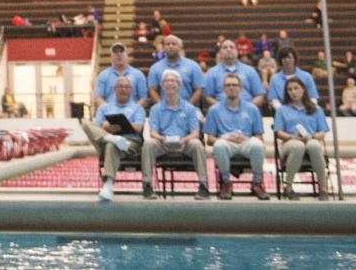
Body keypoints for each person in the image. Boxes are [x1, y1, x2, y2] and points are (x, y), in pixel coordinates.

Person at [142, 70, 209, 200]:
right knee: (149, 144)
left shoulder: (190, 108)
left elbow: (195, 133)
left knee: (197, 144)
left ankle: (203, 186)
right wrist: (162, 139)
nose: (170, 83)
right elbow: (153, 133)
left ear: (179, 85)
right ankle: (147, 185)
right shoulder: (155, 109)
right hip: (163, 143)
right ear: (162, 86)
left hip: (184, 143)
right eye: (166, 81)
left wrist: (185, 139)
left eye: (173, 81)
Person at [204, 73, 269, 200]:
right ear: (223, 89)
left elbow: (259, 137)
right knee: (219, 145)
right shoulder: (214, 110)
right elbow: (209, 140)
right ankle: (226, 183)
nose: (231, 87)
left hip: (246, 142)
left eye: (234, 85)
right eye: (228, 85)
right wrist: (224, 138)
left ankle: (257, 183)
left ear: (241, 88)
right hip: (226, 143)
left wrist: (247, 139)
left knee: (258, 145)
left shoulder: (252, 109)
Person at [81, 76, 145, 201]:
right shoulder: (104, 108)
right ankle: (110, 138)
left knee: (112, 145)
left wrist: (123, 124)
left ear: (131, 90)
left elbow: (138, 127)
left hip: (129, 142)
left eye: (126, 87)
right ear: (114, 89)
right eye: (120, 86)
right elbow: (96, 127)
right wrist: (105, 126)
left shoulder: (137, 108)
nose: (123, 89)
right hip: (106, 139)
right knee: (85, 123)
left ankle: (108, 185)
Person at [274, 77, 331, 200]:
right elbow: (278, 132)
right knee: (298, 146)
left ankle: (323, 188)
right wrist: (292, 137)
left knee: (314, 145)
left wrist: (312, 137)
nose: (293, 92)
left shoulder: (316, 109)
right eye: (289, 89)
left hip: (311, 139)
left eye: (296, 88)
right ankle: (288, 187)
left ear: (303, 90)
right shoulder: (282, 110)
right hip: (290, 142)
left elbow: (322, 132)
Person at [205, 39, 265, 109]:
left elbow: (259, 95)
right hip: (222, 112)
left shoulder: (250, 71)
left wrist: (247, 108)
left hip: (246, 111)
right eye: (225, 47)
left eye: (232, 47)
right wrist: (223, 109)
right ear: (220, 52)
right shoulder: (212, 72)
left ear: (237, 51)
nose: (229, 49)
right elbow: (208, 97)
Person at [147, 35, 204, 106]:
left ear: (180, 47)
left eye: (174, 44)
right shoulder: (155, 68)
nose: (170, 46)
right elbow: (152, 90)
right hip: (164, 109)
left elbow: (199, 89)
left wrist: (188, 108)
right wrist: (162, 107)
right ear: (164, 47)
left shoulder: (193, 66)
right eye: (167, 44)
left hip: (189, 108)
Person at [94, 42, 148, 108]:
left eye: (121, 51)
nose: (119, 54)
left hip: (132, 112)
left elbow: (143, 98)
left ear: (127, 54)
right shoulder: (103, 75)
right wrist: (108, 111)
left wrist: (133, 111)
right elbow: (98, 98)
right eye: (115, 52)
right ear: (111, 56)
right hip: (110, 112)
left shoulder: (138, 75)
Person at [268, 47, 319, 111]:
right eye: (284, 58)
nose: (287, 60)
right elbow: (274, 99)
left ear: (295, 59)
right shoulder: (274, 79)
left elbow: (313, 97)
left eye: (289, 57)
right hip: (283, 112)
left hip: (305, 111)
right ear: (280, 60)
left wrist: (307, 110)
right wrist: (283, 112)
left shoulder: (307, 76)